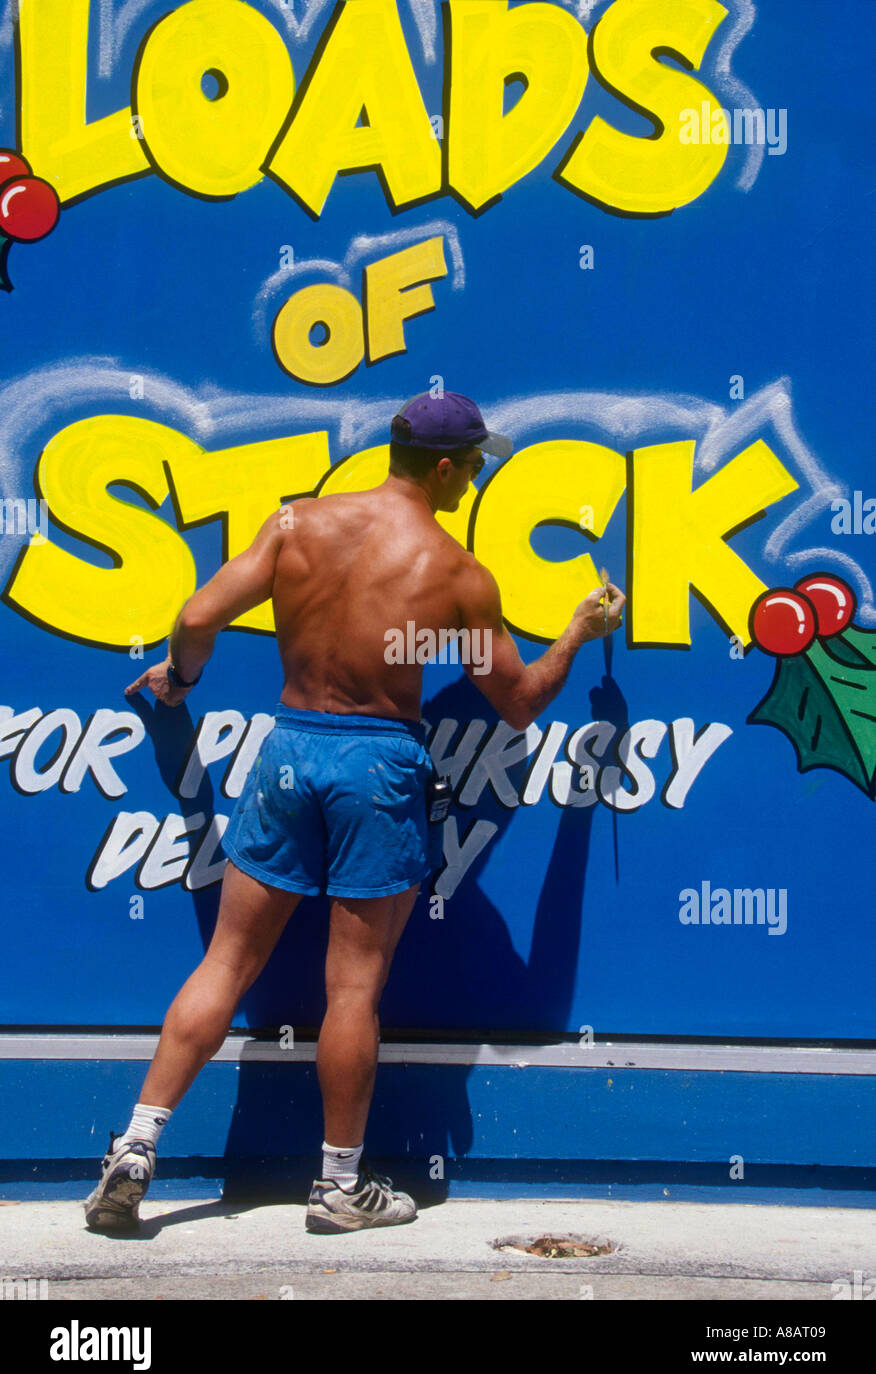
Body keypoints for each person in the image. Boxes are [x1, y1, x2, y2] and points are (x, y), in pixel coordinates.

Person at [85, 390, 625, 1235]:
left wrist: (180, 681)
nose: (479, 475)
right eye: (477, 462)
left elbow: (195, 616)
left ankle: (136, 1146)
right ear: (443, 468)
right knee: (353, 990)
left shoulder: (296, 524)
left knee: (226, 964)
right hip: (377, 765)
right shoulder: (454, 572)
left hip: (289, 752)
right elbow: (517, 703)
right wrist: (575, 636)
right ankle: (338, 1187)